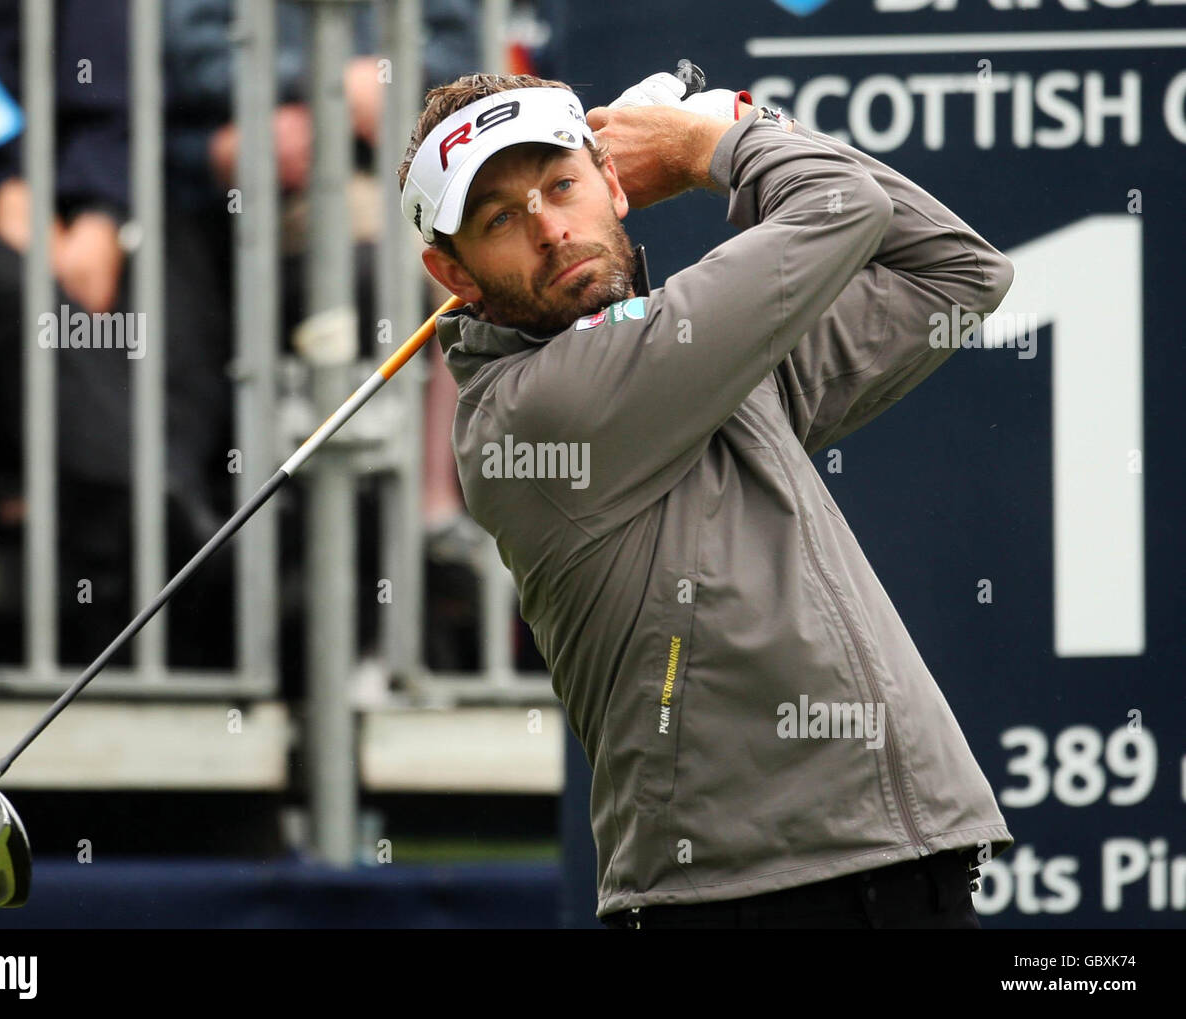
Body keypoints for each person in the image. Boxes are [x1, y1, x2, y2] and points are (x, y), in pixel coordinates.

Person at [396, 70, 1017, 929]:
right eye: (501, 217)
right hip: (746, 896)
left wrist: (741, 135)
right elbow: (842, 207)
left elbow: (956, 270)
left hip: (900, 868)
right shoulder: (536, 408)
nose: (548, 227)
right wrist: (713, 143)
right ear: (450, 272)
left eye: (563, 184)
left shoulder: (704, 367)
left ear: (612, 182)